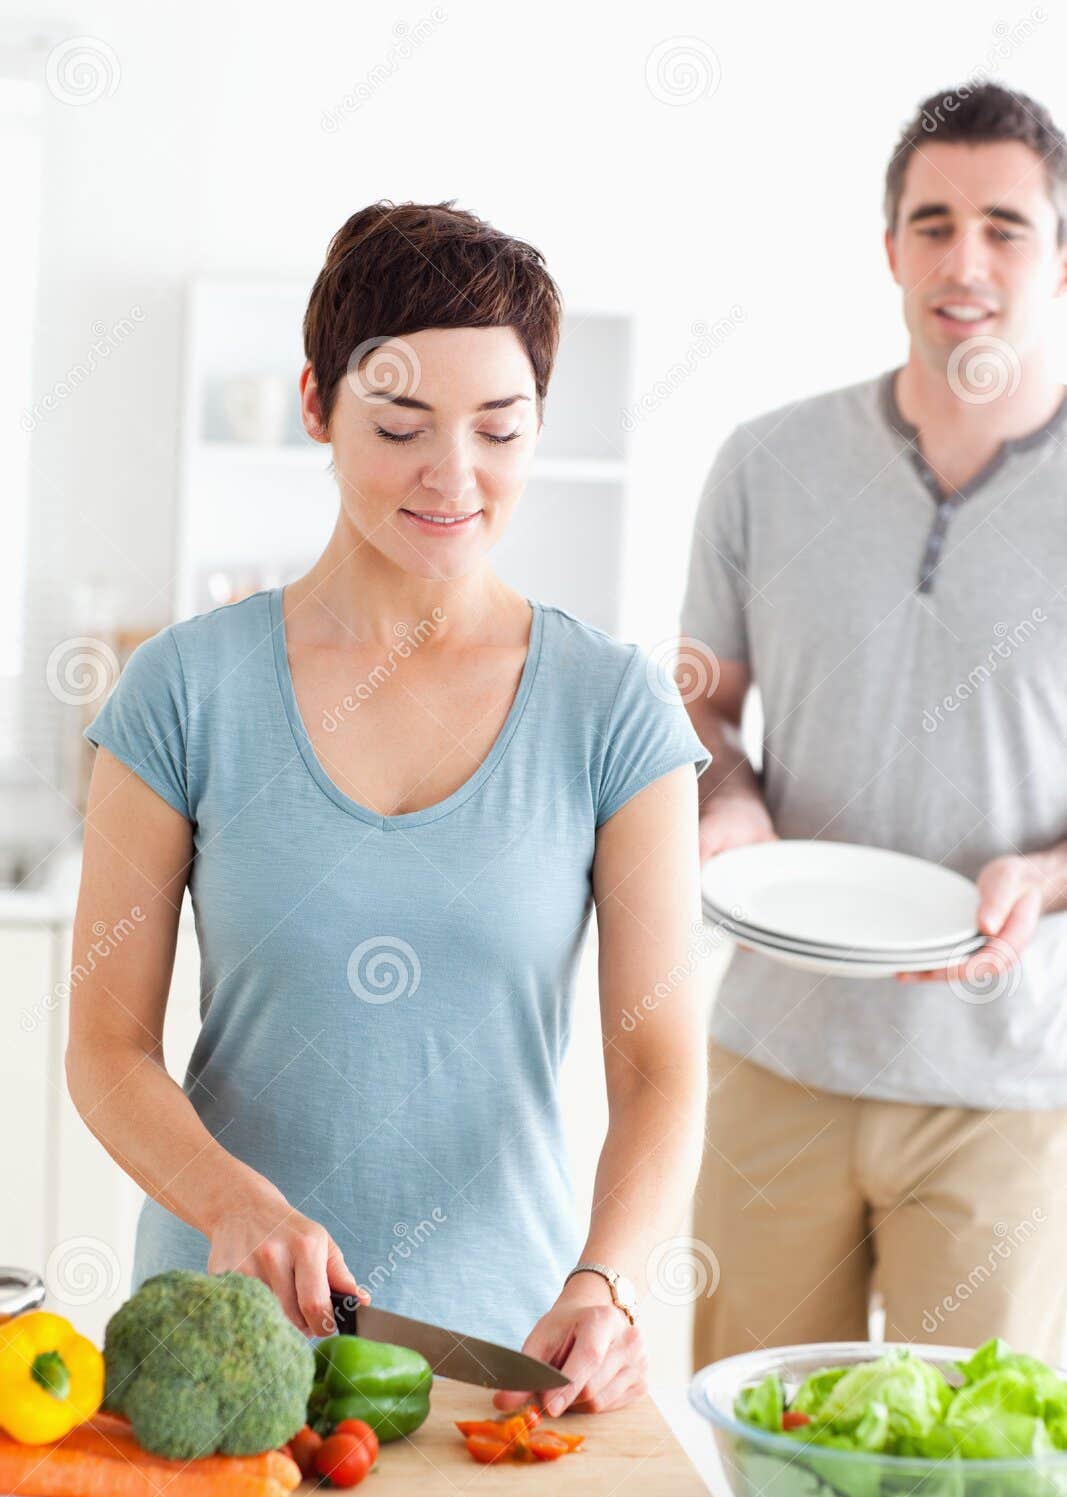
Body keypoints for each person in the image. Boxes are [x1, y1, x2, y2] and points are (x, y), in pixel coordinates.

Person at [68, 201, 711, 1418]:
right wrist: (232, 1201)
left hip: (507, 1364)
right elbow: (106, 1050)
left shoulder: (610, 706)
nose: (452, 477)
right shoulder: (183, 689)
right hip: (214, 1355)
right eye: (400, 424)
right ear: (315, 404)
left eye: (499, 430)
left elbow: (658, 1065)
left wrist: (605, 1282)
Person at [681, 85, 1067, 1366]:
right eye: (933, 221)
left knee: (967, 1484)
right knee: (738, 1444)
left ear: (1057, 252)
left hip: (1004, 1085)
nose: (965, 260)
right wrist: (723, 794)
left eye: (1004, 226)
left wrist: (1042, 877)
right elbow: (700, 701)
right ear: (888, 247)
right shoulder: (763, 463)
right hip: (778, 1056)